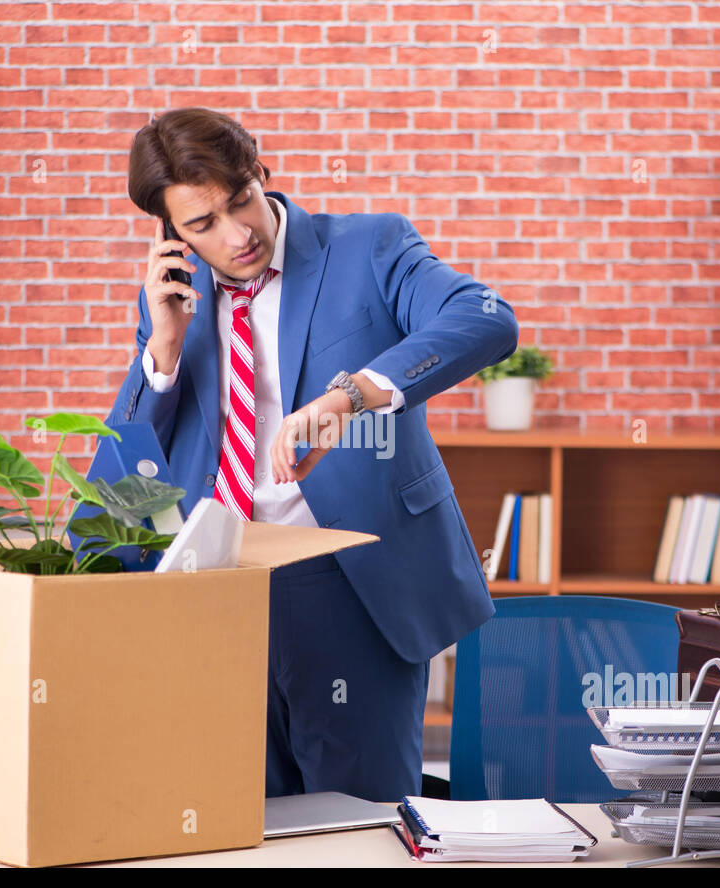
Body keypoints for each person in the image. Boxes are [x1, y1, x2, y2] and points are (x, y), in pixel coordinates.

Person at [104, 107, 518, 802]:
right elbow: (128, 464)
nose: (237, 235)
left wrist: (351, 395)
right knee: (241, 819)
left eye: (241, 200)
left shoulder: (369, 246)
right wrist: (163, 352)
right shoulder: (170, 300)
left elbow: (486, 318)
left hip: (350, 582)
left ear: (259, 171)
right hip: (220, 590)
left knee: (361, 822)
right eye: (203, 224)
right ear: (169, 234)